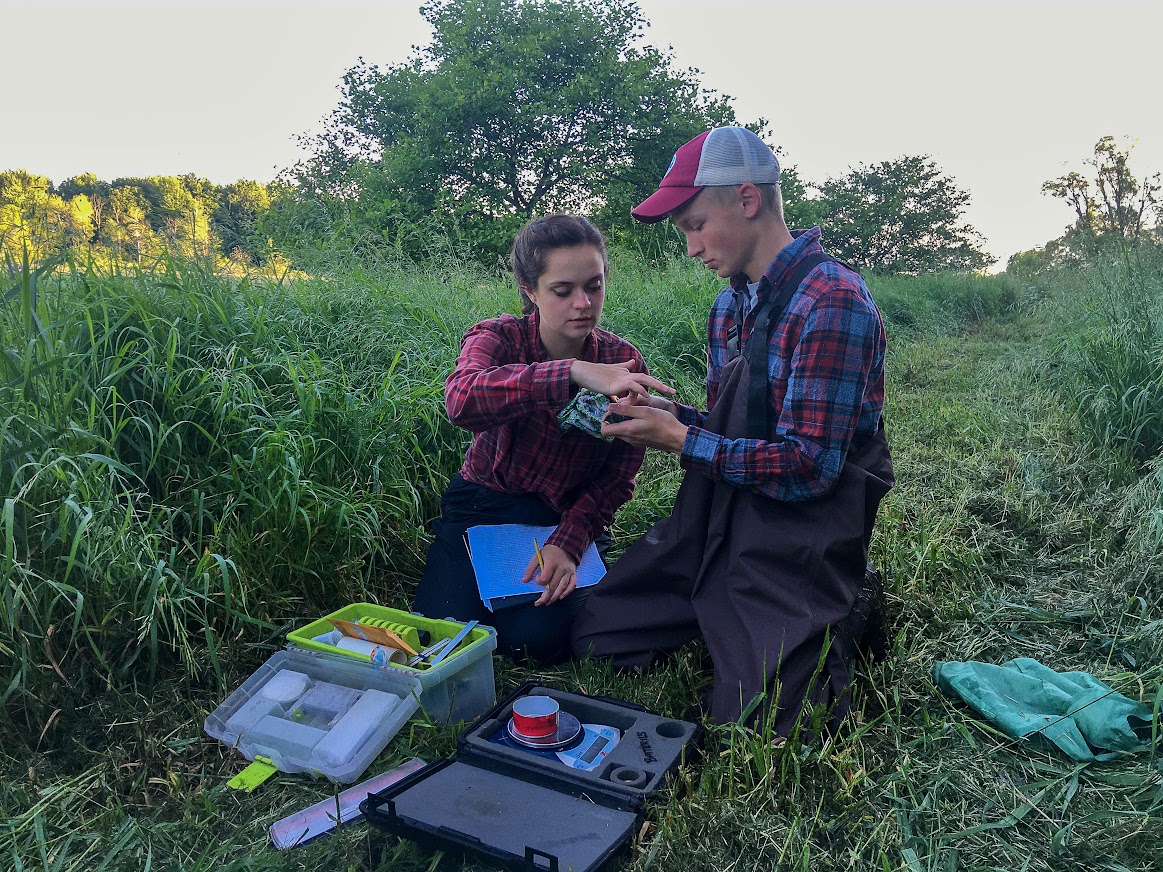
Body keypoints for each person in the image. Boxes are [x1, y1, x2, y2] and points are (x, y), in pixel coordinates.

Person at [571, 127, 895, 734]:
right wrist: (665, 421)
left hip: (798, 539)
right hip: (718, 521)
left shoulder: (833, 300)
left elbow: (809, 466)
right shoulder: (729, 307)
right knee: (597, 634)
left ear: (747, 200)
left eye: (695, 225)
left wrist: (682, 441)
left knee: (769, 720)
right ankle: (725, 610)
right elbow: (734, 428)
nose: (692, 249)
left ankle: (842, 607)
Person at [412, 214, 674, 664]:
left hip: (565, 513)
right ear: (530, 290)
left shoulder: (622, 359)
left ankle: (583, 574)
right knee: (441, 634)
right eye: (563, 290)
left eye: (594, 285)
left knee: (537, 641)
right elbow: (462, 400)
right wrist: (570, 372)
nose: (583, 303)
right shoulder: (498, 337)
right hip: (484, 505)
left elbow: (617, 477)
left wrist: (568, 543)